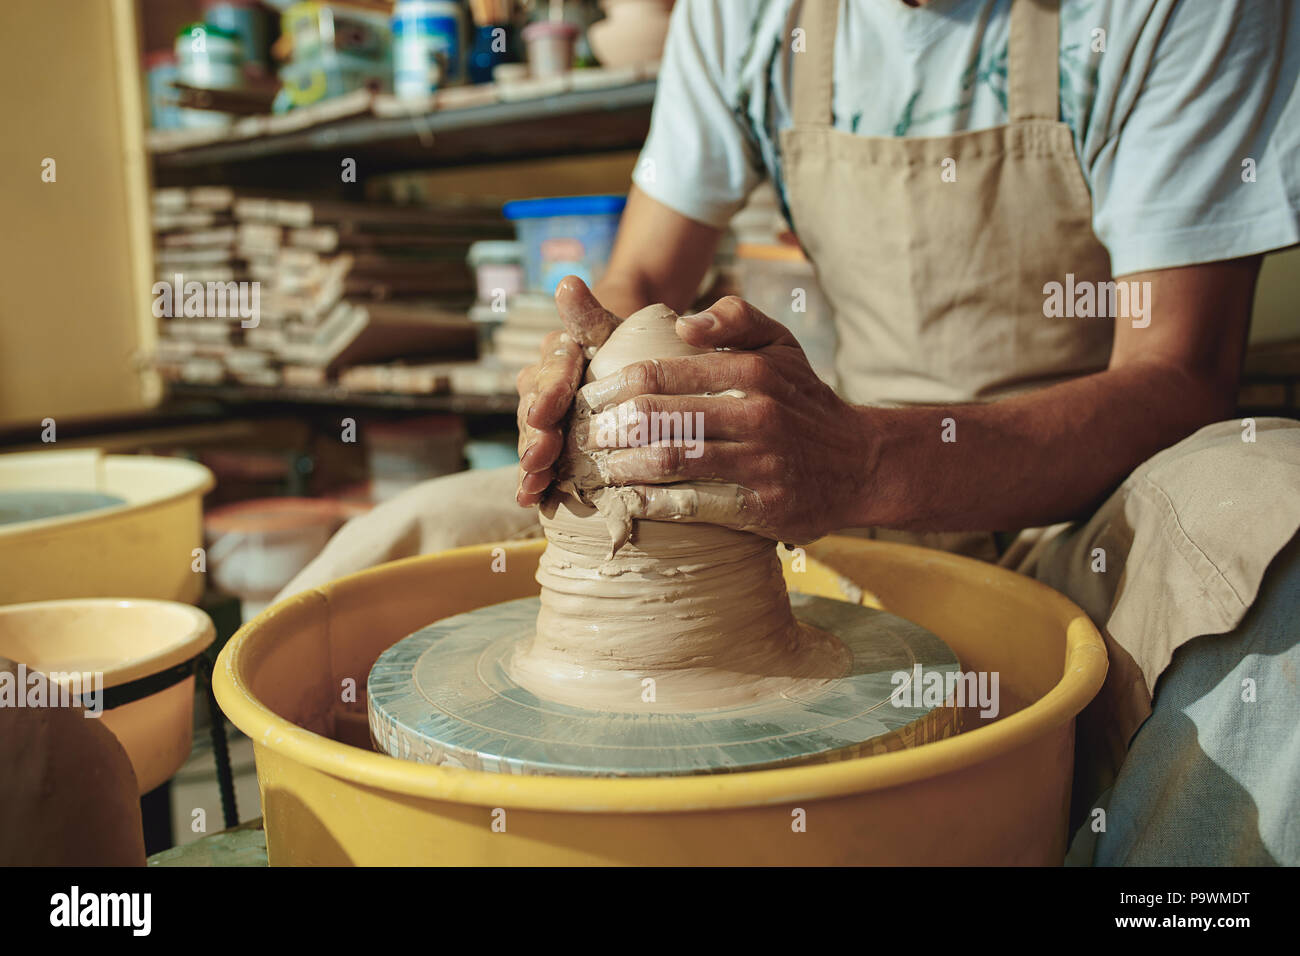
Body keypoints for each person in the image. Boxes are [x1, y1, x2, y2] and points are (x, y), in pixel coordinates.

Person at [281, 0, 1300, 864]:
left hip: (1088, 500)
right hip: (813, 476)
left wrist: (863, 461)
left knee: (1279, 538)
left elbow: (1177, 373)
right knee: (399, 535)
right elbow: (634, 285)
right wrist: (581, 372)